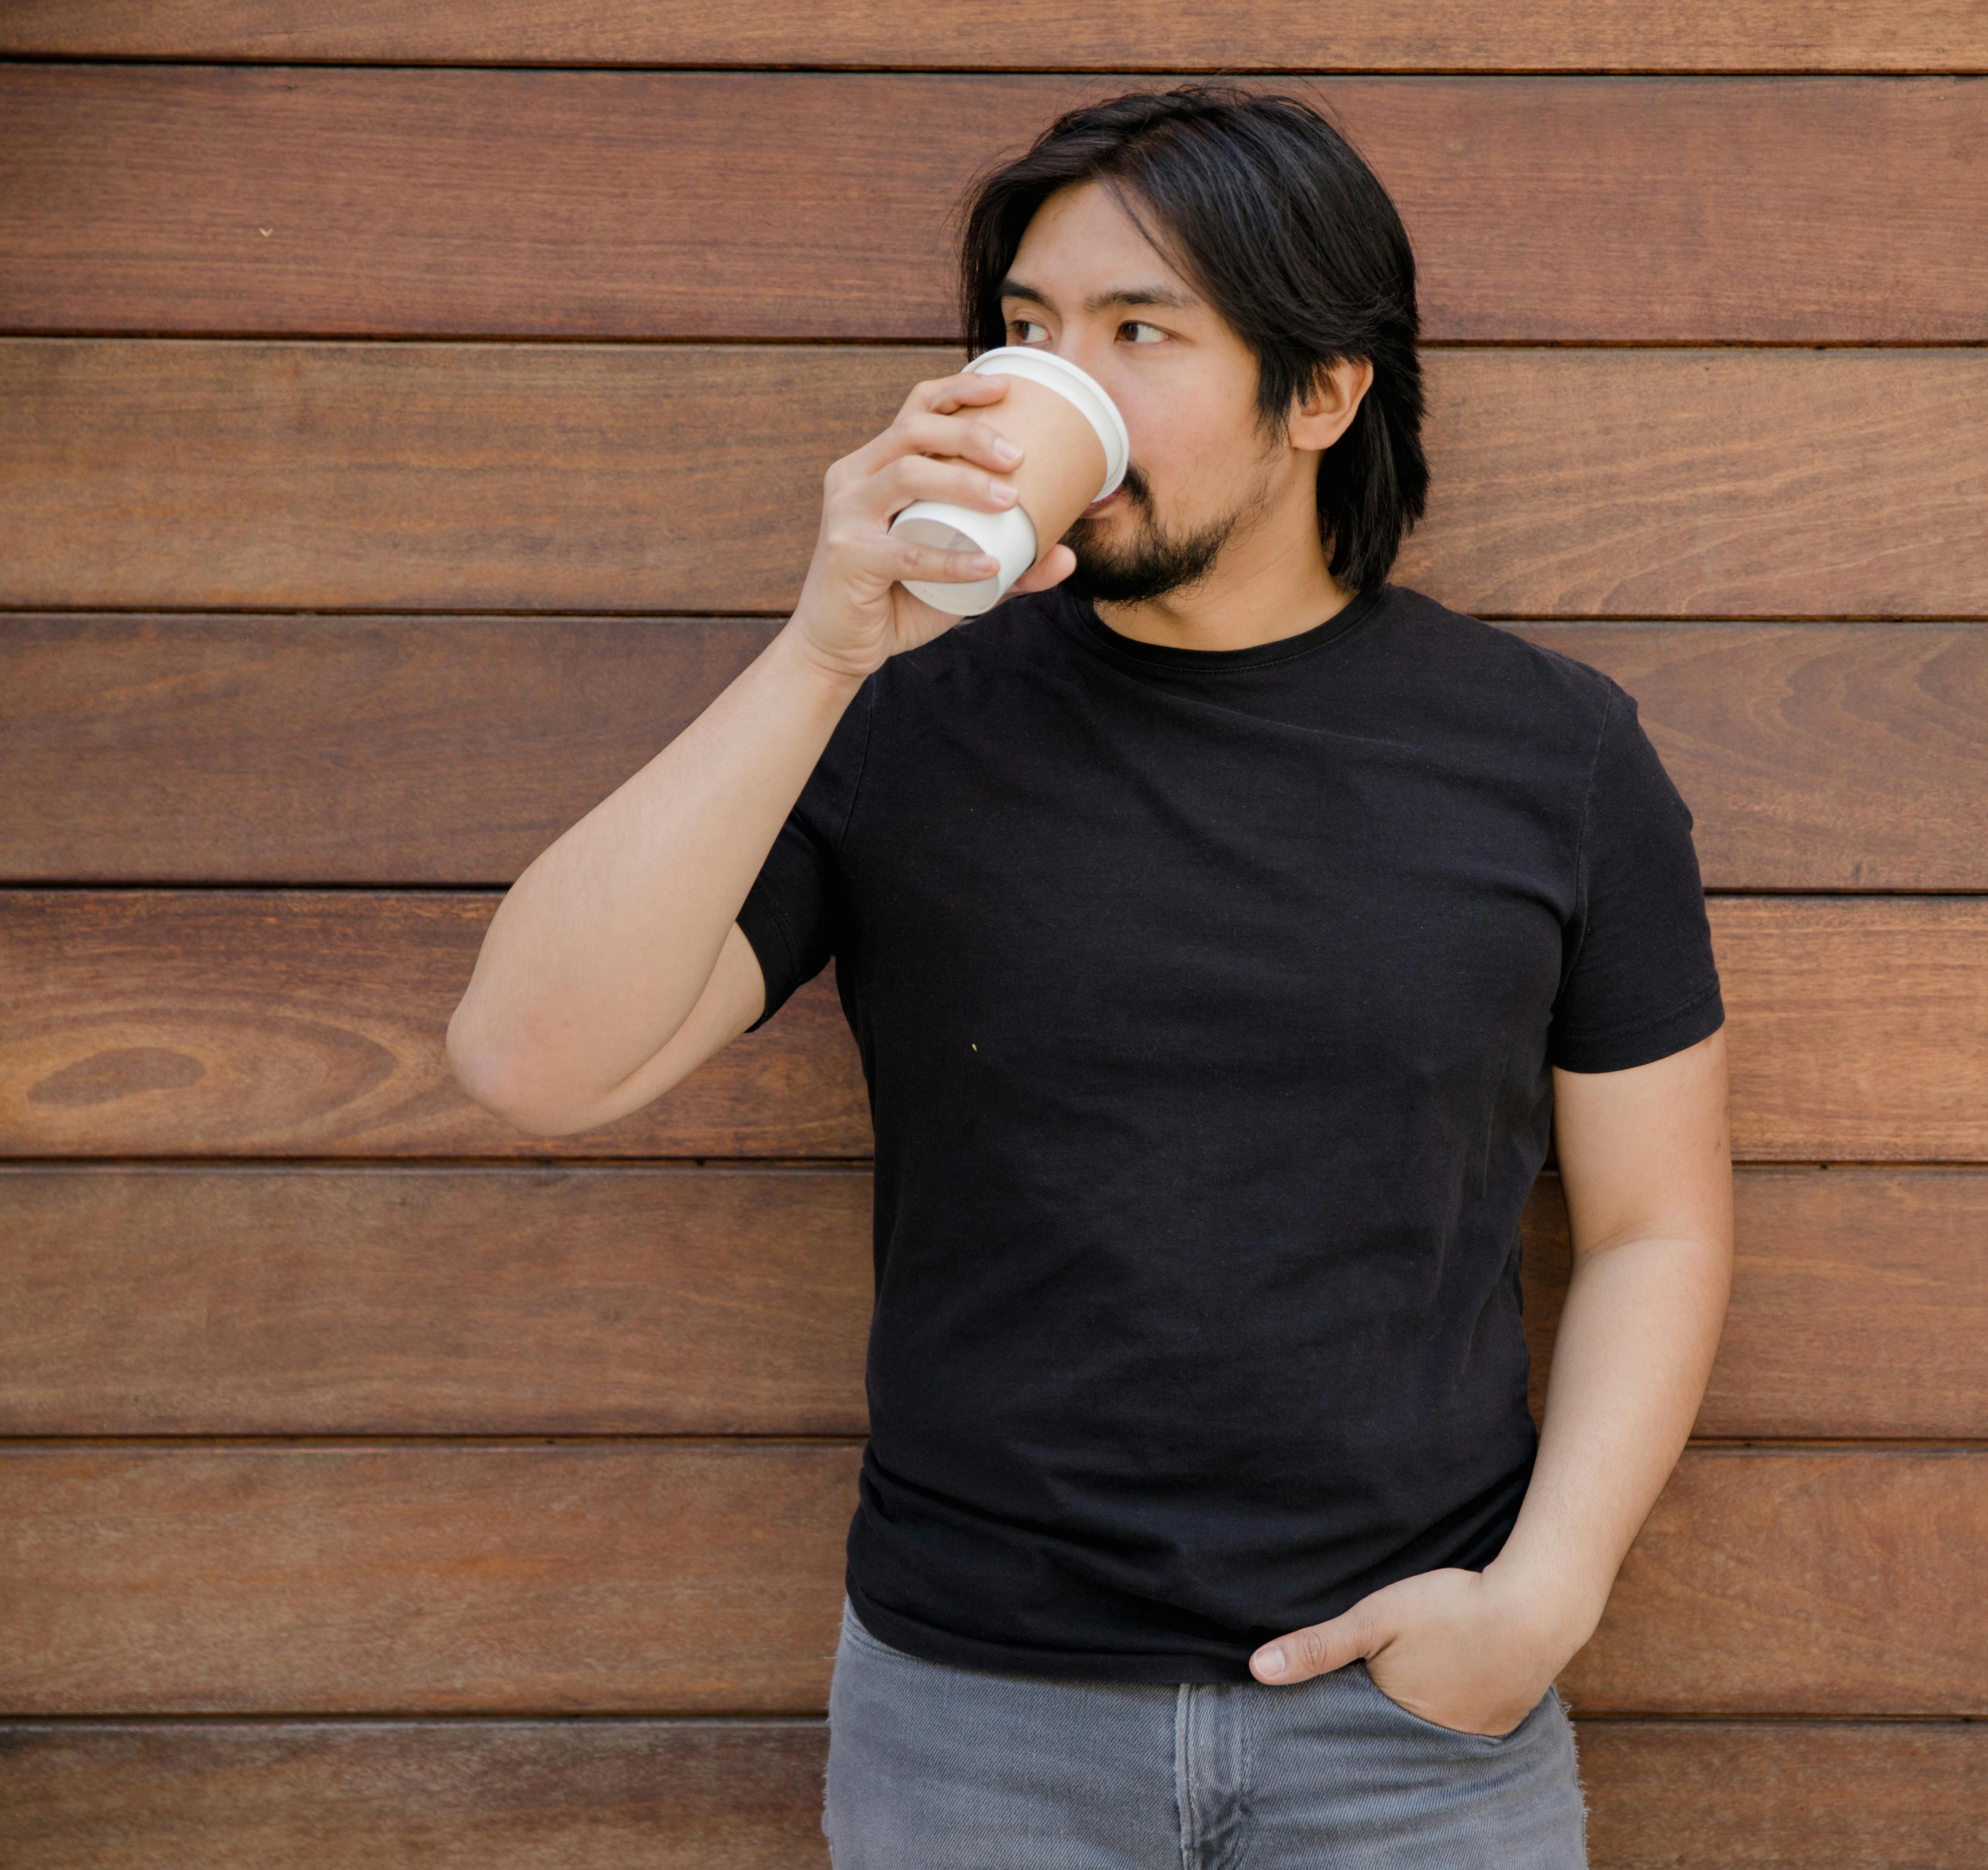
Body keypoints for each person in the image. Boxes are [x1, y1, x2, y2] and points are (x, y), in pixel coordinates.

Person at [446, 84, 1732, 1869]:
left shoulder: (1552, 754)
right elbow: (533, 1060)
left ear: (1321, 393)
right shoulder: (901, 722)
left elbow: (1658, 1224)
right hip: (975, 1726)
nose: (1062, 383)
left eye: (1142, 331)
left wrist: (1540, 1602)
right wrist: (824, 649)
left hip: (1410, 1738)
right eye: (1030, 330)